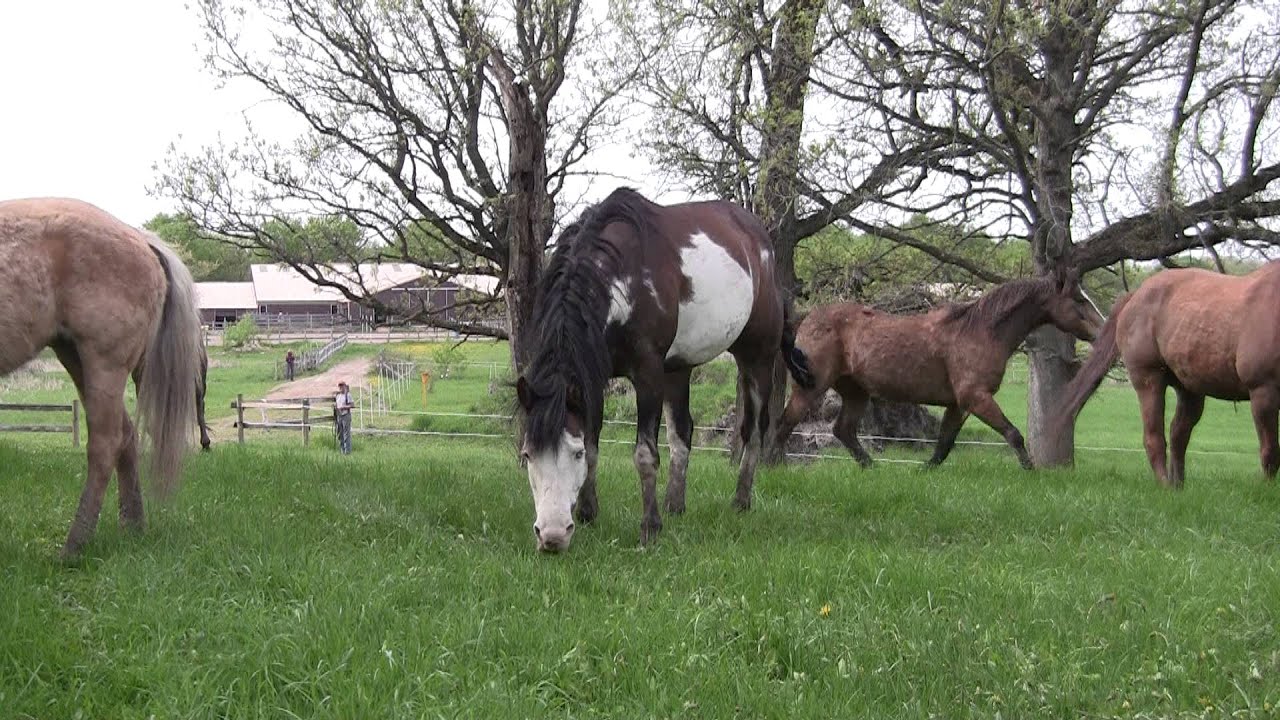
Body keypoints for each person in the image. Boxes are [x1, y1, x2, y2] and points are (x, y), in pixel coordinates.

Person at [335, 381, 354, 454]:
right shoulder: (338, 396)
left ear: (345, 386)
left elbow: (352, 405)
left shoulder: (348, 395)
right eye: (339, 386)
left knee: (346, 434)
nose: (341, 387)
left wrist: (344, 407)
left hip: (346, 415)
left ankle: (347, 451)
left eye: (342, 386)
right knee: (340, 433)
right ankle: (342, 450)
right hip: (339, 416)